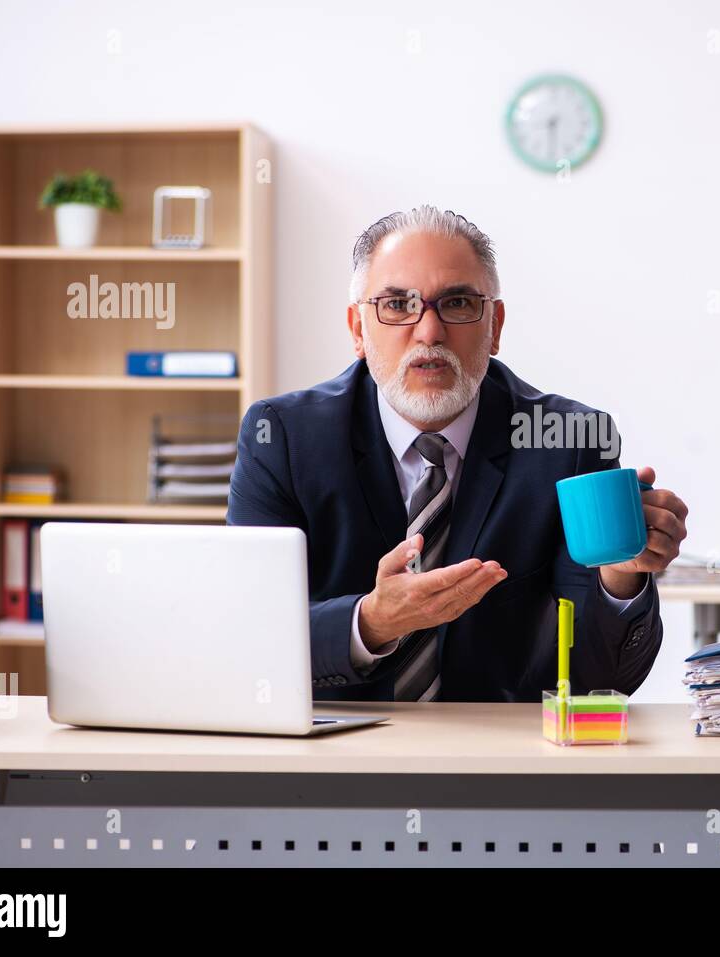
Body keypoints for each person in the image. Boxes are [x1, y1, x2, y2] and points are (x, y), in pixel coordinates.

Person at [228, 206, 688, 702]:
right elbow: (249, 637)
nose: (429, 332)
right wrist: (371, 624)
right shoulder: (282, 436)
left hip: (503, 762)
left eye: (458, 303)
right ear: (358, 329)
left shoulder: (569, 438)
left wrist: (618, 578)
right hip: (332, 758)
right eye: (398, 304)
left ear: (494, 326)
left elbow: (601, 682)